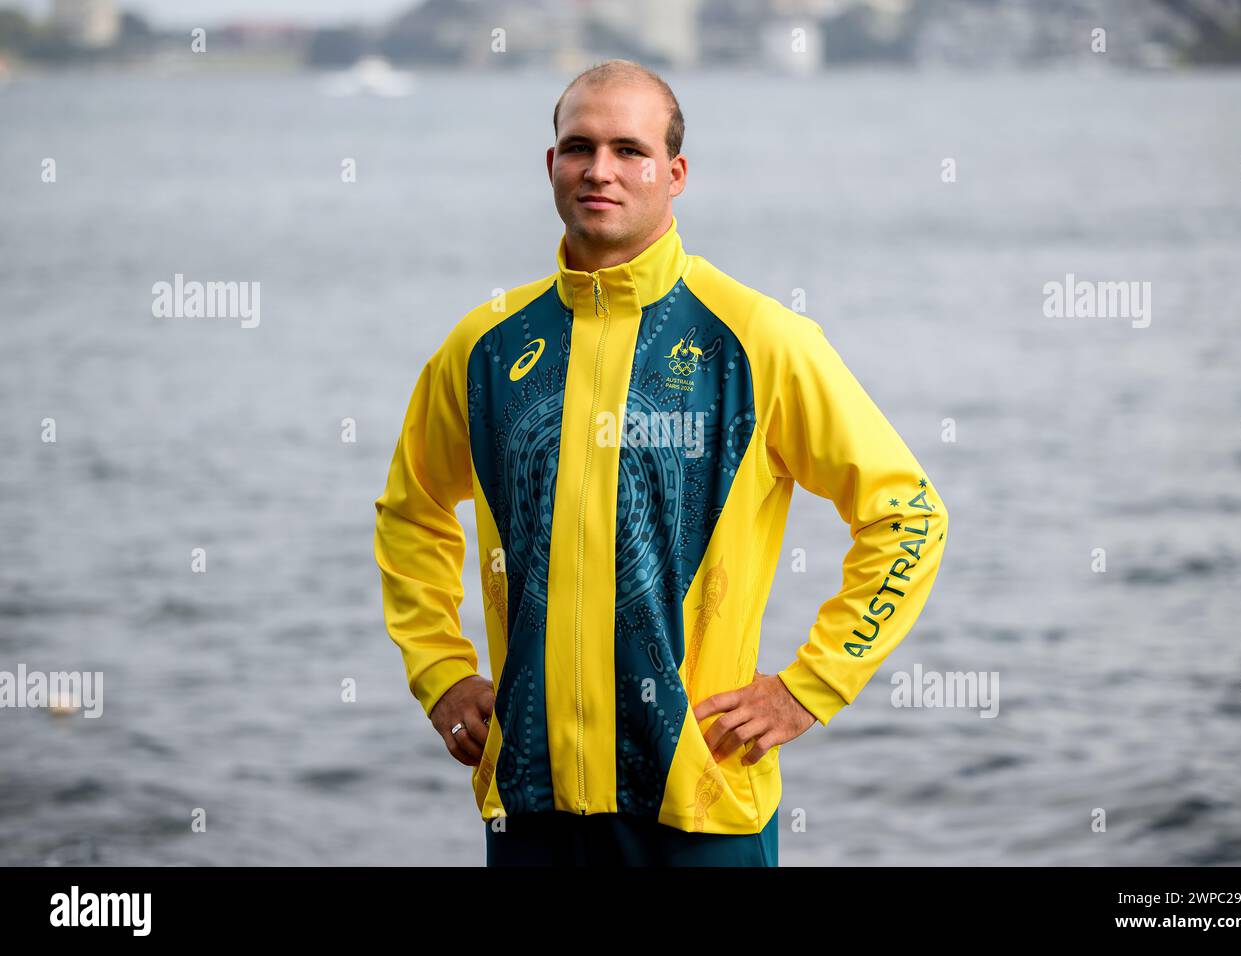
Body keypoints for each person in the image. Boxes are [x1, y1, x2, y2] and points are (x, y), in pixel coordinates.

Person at [373, 59, 950, 867]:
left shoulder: (758, 340)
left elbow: (909, 517)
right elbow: (412, 512)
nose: (599, 170)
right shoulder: (483, 346)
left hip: (700, 812)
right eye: (580, 147)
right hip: (531, 810)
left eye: (629, 150)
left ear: (674, 174)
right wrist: (439, 668)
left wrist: (807, 688)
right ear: (551, 165)